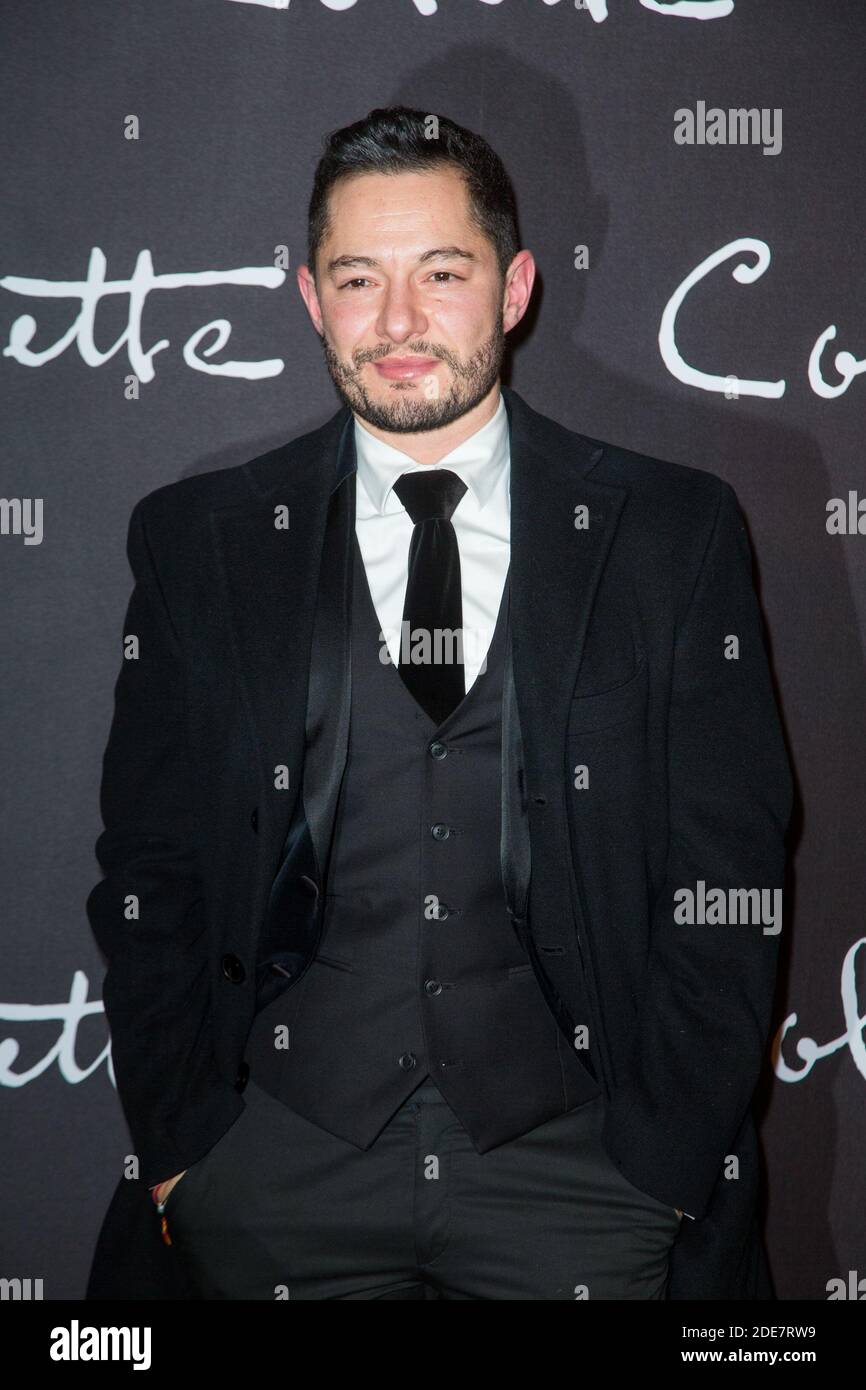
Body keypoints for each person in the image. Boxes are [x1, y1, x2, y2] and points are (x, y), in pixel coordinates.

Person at [86, 106, 793, 1300]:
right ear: (312, 299)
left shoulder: (669, 533)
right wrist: (182, 1151)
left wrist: (664, 1164)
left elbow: (729, 865)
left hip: (583, 1180)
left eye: (441, 273)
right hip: (278, 1170)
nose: (399, 323)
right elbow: (147, 863)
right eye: (358, 278)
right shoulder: (197, 541)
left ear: (513, 288)